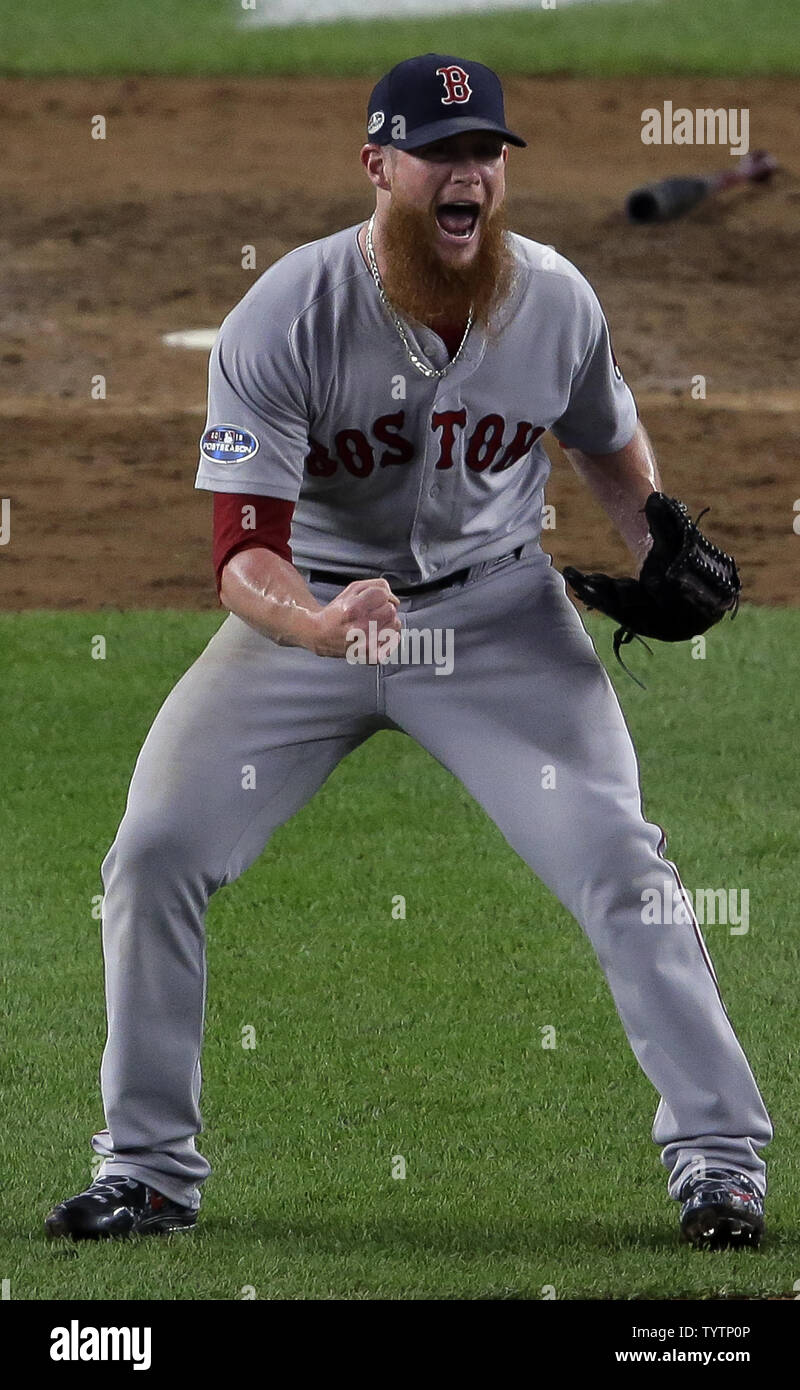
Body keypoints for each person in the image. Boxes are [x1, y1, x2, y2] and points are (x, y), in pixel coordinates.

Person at [45, 54, 771, 1248]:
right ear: (378, 166)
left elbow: (606, 439)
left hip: (496, 623)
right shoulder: (285, 313)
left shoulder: (553, 299)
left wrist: (653, 544)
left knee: (618, 863)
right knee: (155, 852)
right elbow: (239, 558)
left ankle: (718, 1162)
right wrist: (318, 627)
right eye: (442, 151)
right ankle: (148, 1169)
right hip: (303, 621)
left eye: (486, 152)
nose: (470, 174)